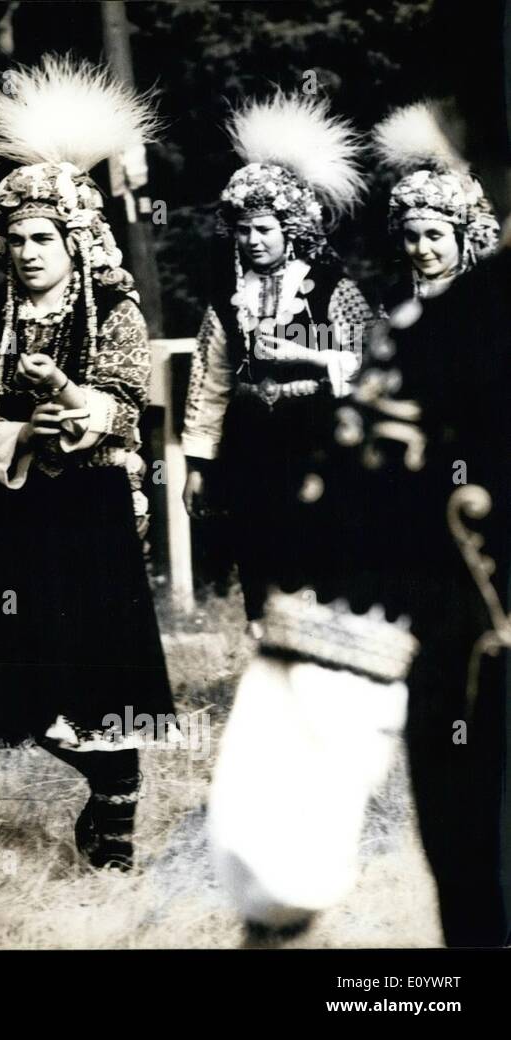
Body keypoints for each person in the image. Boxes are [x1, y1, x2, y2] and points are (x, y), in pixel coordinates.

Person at [207, 61, 510, 943]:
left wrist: (276, 889)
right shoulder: (437, 344)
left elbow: (340, 588)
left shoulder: (437, 342)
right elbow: (341, 595)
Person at [0, 57, 178, 871]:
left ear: (76, 240)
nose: (28, 251)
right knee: (22, 682)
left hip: (91, 507)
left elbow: (122, 396)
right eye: (17, 239)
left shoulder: (113, 307)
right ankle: (109, 791)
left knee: (101, 675)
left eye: (44, 238)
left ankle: (116, 825)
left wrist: (65, 396)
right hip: (11, 513)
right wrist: (18, 426)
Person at [181, 95, 375, 634]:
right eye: (243, 230)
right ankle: (267, 656)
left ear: (291, 228)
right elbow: (208, 381)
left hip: (315, 437)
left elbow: (366, 363)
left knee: (315, 547)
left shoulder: (334, 289)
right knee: (257, 547)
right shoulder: (227, 300)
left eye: (263, 228)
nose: (252, 240)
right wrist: (198, 465)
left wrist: (306, 356)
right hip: (250, 442)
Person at [372, 101, 501, 308]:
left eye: (434, 235)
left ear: (461, 236)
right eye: (412, 237)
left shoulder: (487, 298)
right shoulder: (392, 299)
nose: (422, 249)